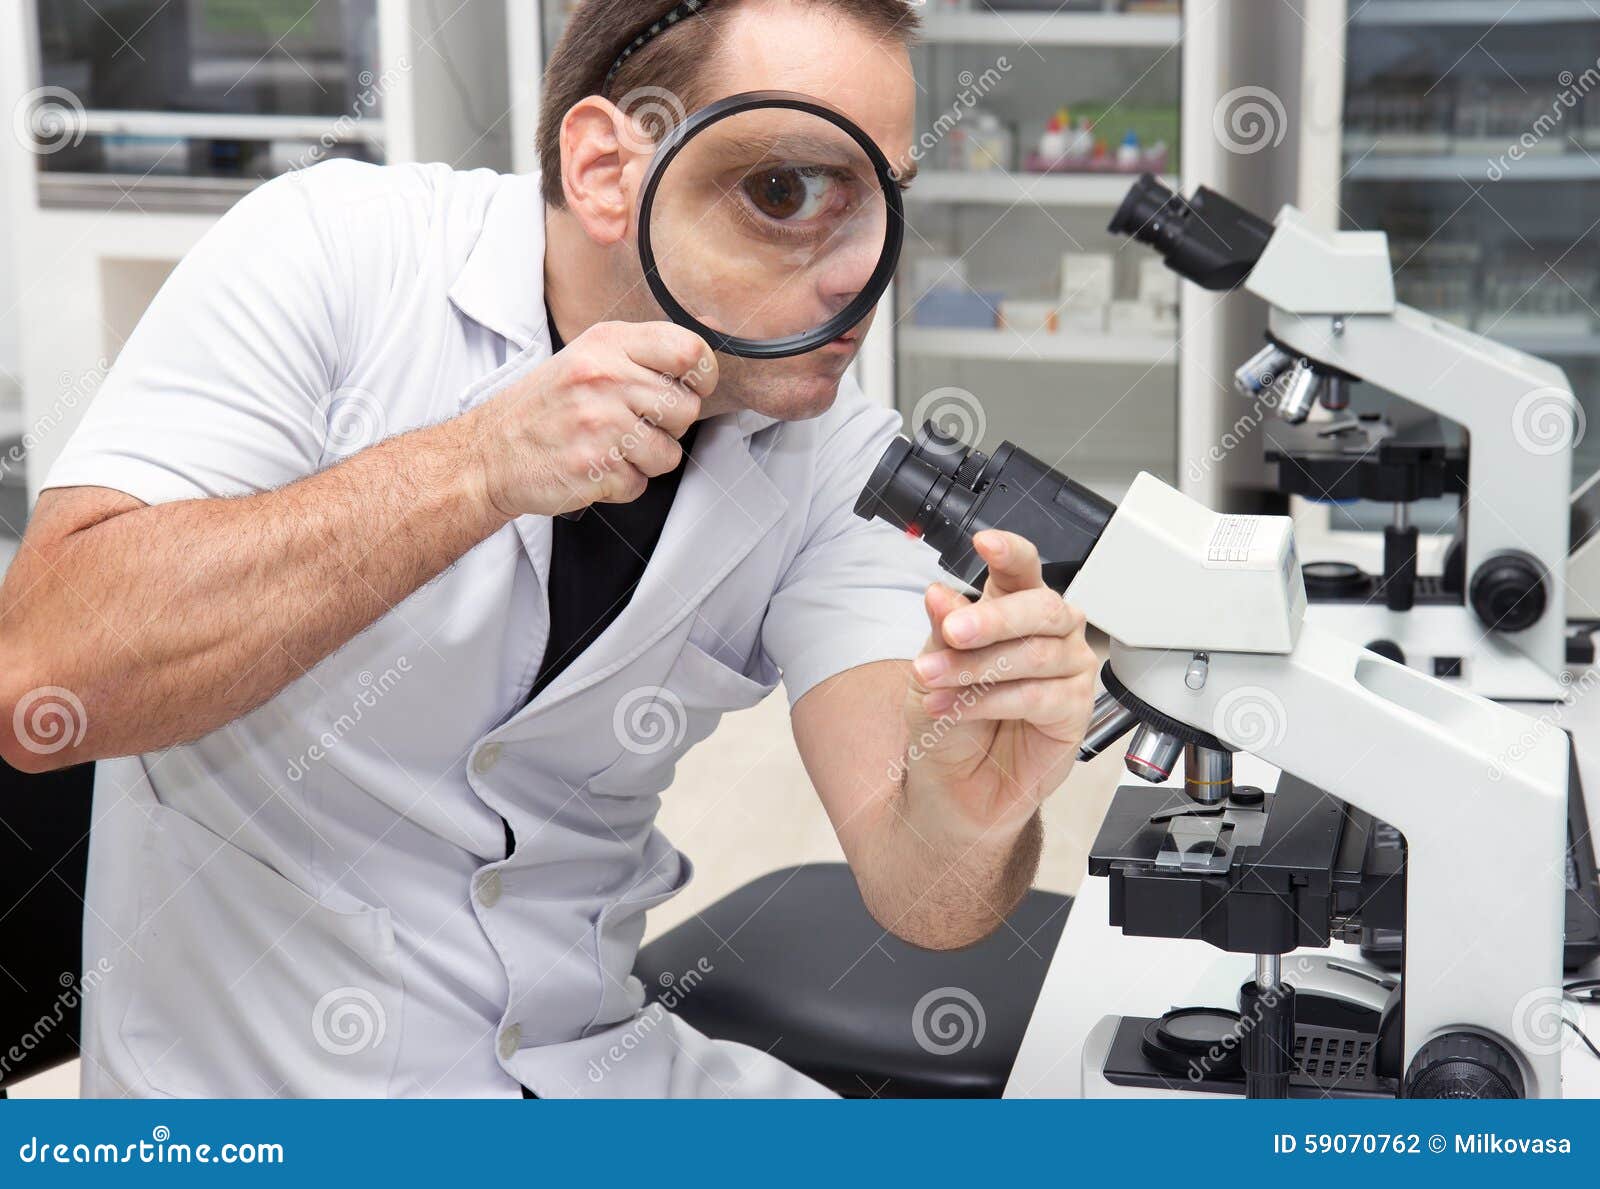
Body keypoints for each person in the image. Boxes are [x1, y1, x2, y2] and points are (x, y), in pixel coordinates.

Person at [0, 0, 1098, 1098]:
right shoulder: (336, 254)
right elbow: (44, 682)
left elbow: (926, 897)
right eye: (785, 192)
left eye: (883, 201)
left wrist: (972, 804)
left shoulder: (833, 453)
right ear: (603, 170)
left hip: (594, 1075)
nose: (861, 273)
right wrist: (477, 466)